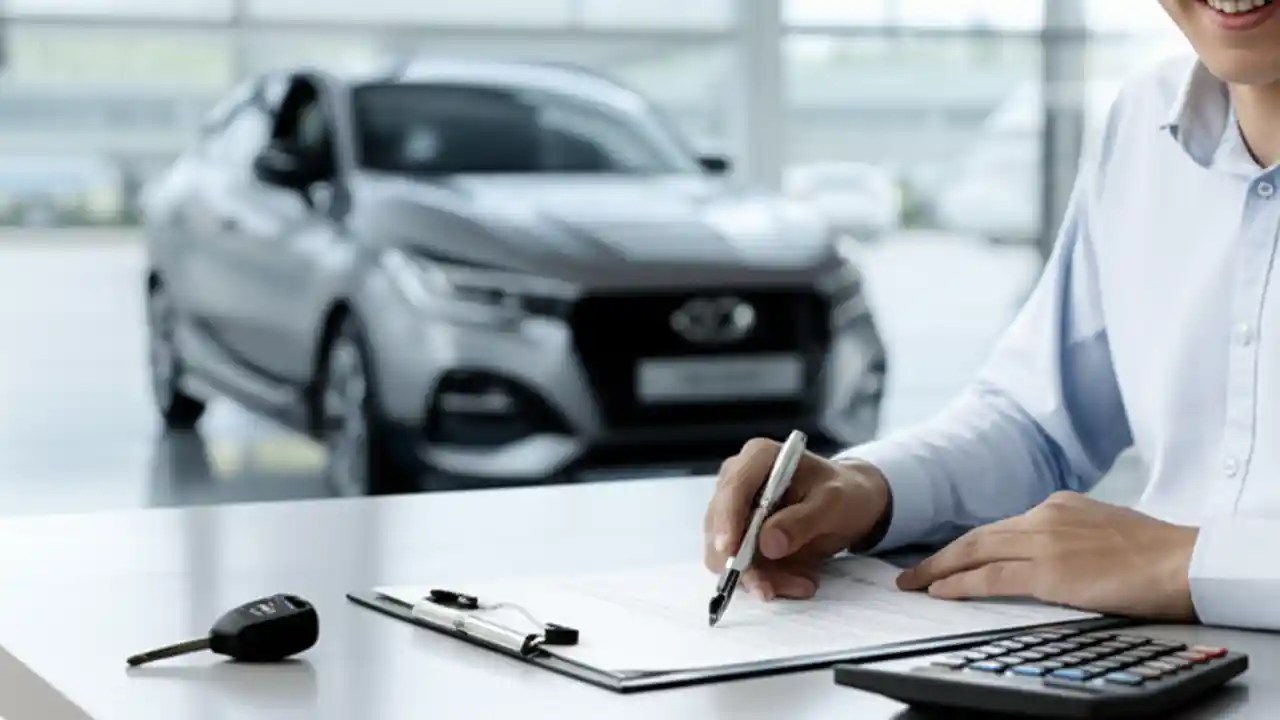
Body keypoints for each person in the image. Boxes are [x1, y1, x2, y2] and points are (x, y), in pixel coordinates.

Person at [704, 0, 1280, 631]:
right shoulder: (1146, 123)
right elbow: (1038, 423)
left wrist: (1189, 564)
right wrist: (869, 489)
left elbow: (1176, 558)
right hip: (1160, 665)